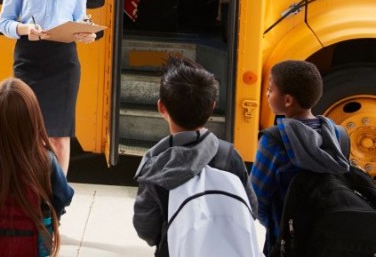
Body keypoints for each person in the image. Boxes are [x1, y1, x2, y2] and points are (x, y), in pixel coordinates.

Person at [0, 0, 95, 174]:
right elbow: (4, 22)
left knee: (60, 138)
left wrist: (86, 33)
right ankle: (30, 190)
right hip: (29, 59)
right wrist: (24, 28)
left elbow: (79, 18)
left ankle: (57, 195)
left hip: (63, 62)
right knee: (28, 135)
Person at [133, 56, 257, 256]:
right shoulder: (228, 155)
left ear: (161, 107)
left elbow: (145, 228)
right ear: (213, 105)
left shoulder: (156, 166)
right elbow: (251, 208)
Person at [0, 78, 74, 257]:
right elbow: (64, 196)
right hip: (37, 247)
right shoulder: (46, 160)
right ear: (33, 118)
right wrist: (50, 217)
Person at [249, 60, 350, 255]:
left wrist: (279, 225)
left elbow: (256, 201)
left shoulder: (274, 140)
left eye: (270, 90)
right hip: (330, 238)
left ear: (287, 100)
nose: (267, 94)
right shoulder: (339, 135)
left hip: (287, 242)